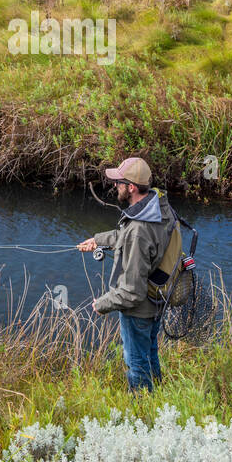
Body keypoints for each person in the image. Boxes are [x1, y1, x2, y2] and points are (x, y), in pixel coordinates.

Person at [78, 157, 178, 393]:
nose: (115, 186)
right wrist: (98, 240)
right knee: (150, 350)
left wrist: (102, 304)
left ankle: (143, 411)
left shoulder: (138, 230)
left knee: (136, 363)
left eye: (119, 182)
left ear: (131, 187)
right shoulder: (160, 206)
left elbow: (132, 292)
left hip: (139, 310)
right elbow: (134, 237)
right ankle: (159, 396)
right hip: (158, 299)